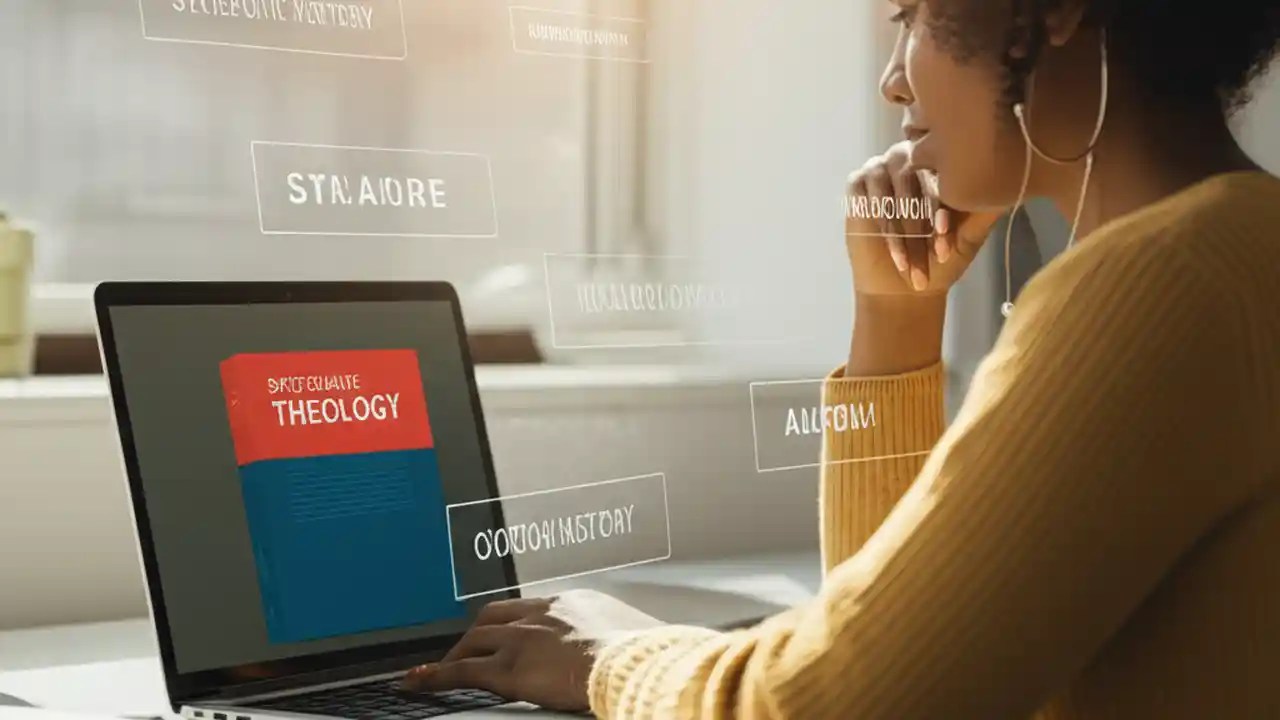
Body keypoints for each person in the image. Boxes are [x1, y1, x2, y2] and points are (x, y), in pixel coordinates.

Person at [404, 0, 1280, 717]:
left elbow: (837, 705)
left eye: (913, 16)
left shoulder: (1161, 282)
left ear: (1054, 13)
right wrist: (895, 317)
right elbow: (888, 642)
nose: (894, 75)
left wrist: (610, 659)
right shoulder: (1241, 248)